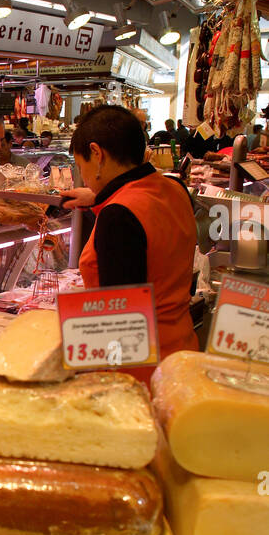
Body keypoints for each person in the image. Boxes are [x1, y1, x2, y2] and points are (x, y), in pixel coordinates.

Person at [62, 105, 198, 380]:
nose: (83, 175)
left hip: (138, 373)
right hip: (181, 355)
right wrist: (99, 197)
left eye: (81, 165)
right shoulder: (175, 188)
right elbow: (148, 207)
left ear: (97, 154)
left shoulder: (119, 216)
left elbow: (120, 320)